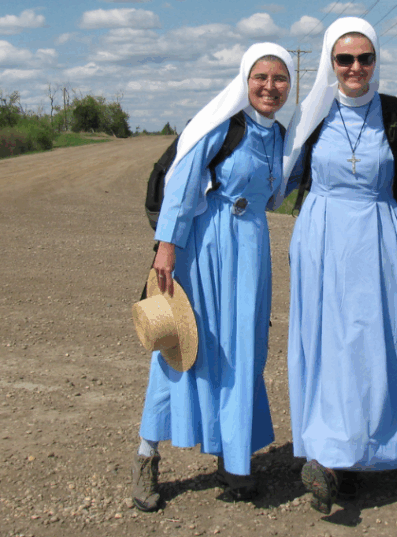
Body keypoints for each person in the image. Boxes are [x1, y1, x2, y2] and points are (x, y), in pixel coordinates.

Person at [132, 43, 295, 511]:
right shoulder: (220, 125)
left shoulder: (280, 136)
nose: (270, 87)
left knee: (243, 351)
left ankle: (233, 459)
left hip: (251, 252)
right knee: (184, 346)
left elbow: (278, 195)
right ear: (245, 80)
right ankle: (146, 456)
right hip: (204, 247)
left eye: (280, 79)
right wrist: (167, 246)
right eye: (261, 77)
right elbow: (183, 183)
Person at [278, 17, 397, 514]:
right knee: (329, 343)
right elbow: (278, 178)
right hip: (322, 239)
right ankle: (329, 452)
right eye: (344, 59)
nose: (355, 67)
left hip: (379, 239)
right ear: (329, 63)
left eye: (364, 58)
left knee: (373, 342)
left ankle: (368, 451)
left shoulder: (395, 115)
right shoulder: (312, 114)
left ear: (376, 60)